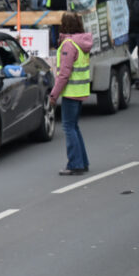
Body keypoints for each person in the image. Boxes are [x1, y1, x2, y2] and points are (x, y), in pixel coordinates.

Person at [49, 13, 93, 175]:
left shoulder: (68, 45)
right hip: (80, 90)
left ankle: (75, 164)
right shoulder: (81, 42)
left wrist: (54, 95)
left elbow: (64, 74)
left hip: (71, 92)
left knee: (69, 127)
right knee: (74, 127)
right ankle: (82, 162)